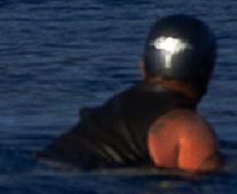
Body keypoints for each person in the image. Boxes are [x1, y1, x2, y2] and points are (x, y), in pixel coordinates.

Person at [41, 13, 224, 173]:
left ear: (143, 67)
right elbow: (202, 189)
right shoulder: (186, 126)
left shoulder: (107, 113)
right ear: (209, 71)